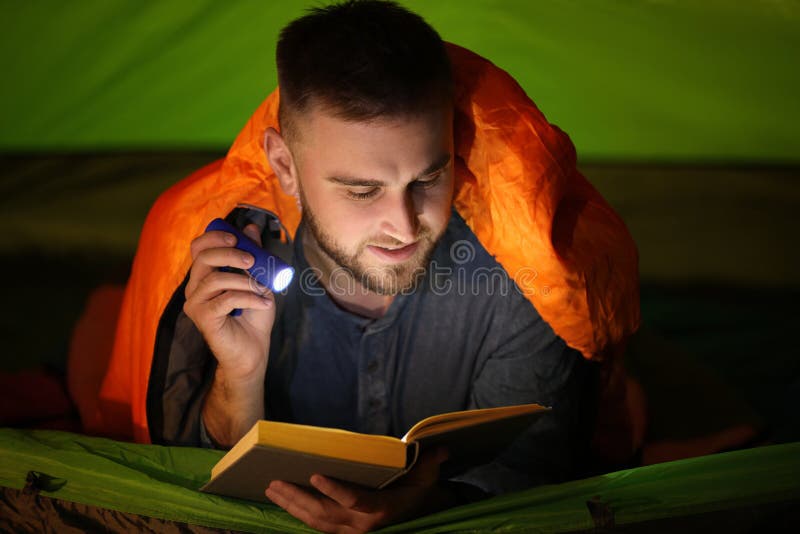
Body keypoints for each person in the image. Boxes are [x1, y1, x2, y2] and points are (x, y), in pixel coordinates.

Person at [81, 1, 640, 531]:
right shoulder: (230, 268)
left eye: (427, 179)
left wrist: (431, 506)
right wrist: (239, 377)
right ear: (285, 166)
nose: (403, 224)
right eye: (361, 190)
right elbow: (181, 478)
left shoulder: (530, 268)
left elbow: (537, 474)